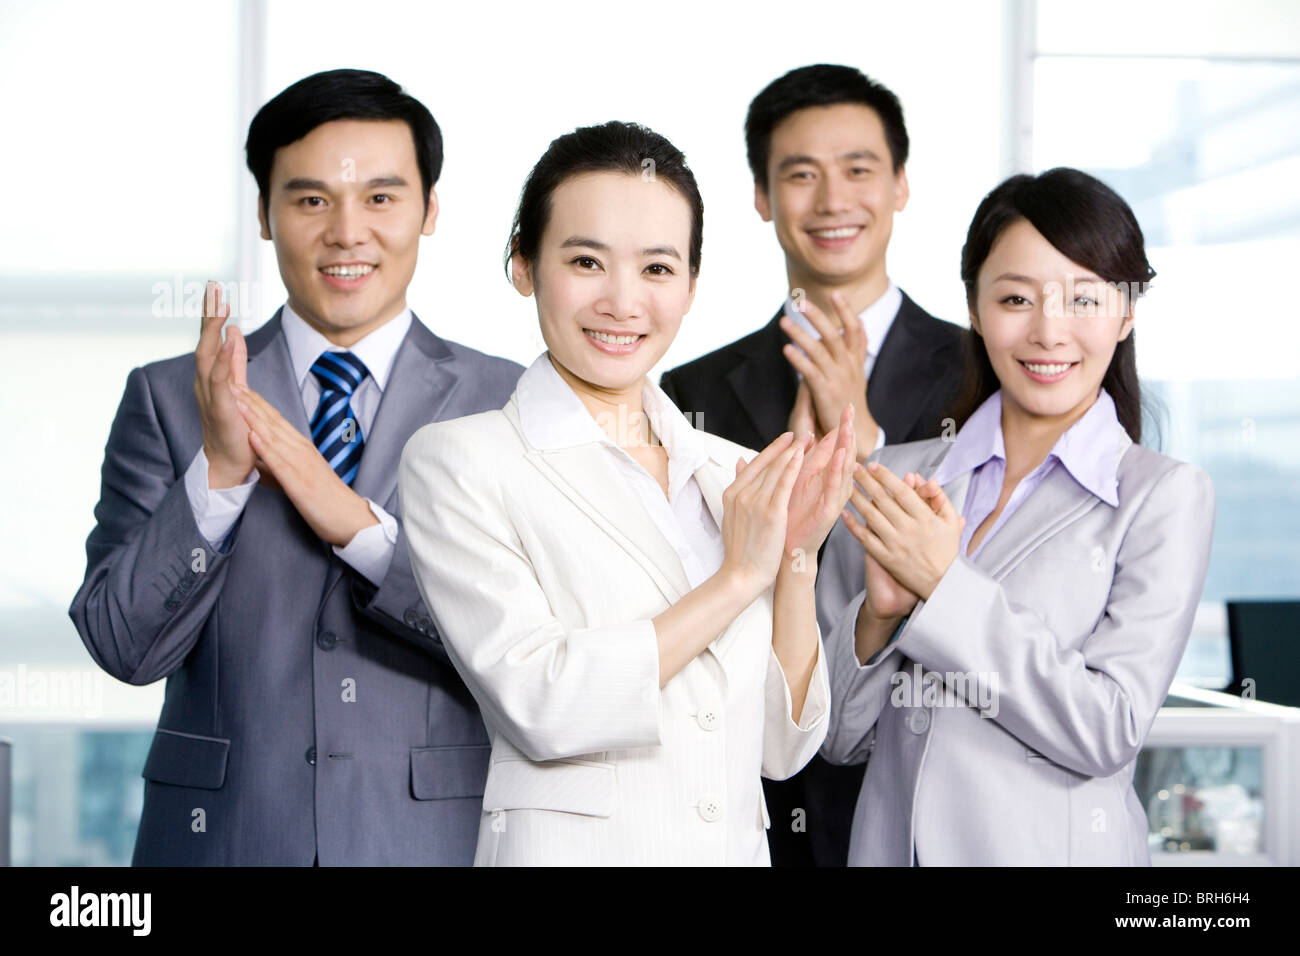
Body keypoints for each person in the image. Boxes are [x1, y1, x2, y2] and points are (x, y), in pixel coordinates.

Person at [68, 69, 522, 865]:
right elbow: (121, 644)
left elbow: (526, 649)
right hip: (227, 839)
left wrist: (362, 534)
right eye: (311, 199)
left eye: (380, 198)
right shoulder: (169, 398)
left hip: (432, 842)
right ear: (264, 213)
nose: (347, 233)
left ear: (429, 209)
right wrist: (218, 475)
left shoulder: (506, 402)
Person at [398, 120, 856, 865]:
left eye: (657, 268)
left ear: (691, 287)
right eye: (586, 261)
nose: (622, 301)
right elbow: (544, 703)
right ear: (523, 264)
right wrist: (740, 577)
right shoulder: (461, 462)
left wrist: (796, 559)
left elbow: (781, 748)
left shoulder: (733, 472)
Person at [816, 167, 1216, 865]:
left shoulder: (1162, 497)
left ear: (1126, 314)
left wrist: (943, 586)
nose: (1048, 332)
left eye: (1084, 299)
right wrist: (877, 618)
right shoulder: (892, 480)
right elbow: (835, 739)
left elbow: (1108, 730)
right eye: (1015, 299)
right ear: (974, 308)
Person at [659, 63, 964, 867]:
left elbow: (981, 579)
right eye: (800, 175)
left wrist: (868, 445)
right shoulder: (689, 391)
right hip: (751, 785)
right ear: (762, 197)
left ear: (900, 186)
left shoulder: (982, 373)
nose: (832, 201)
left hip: (921, 782)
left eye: (858, 170)